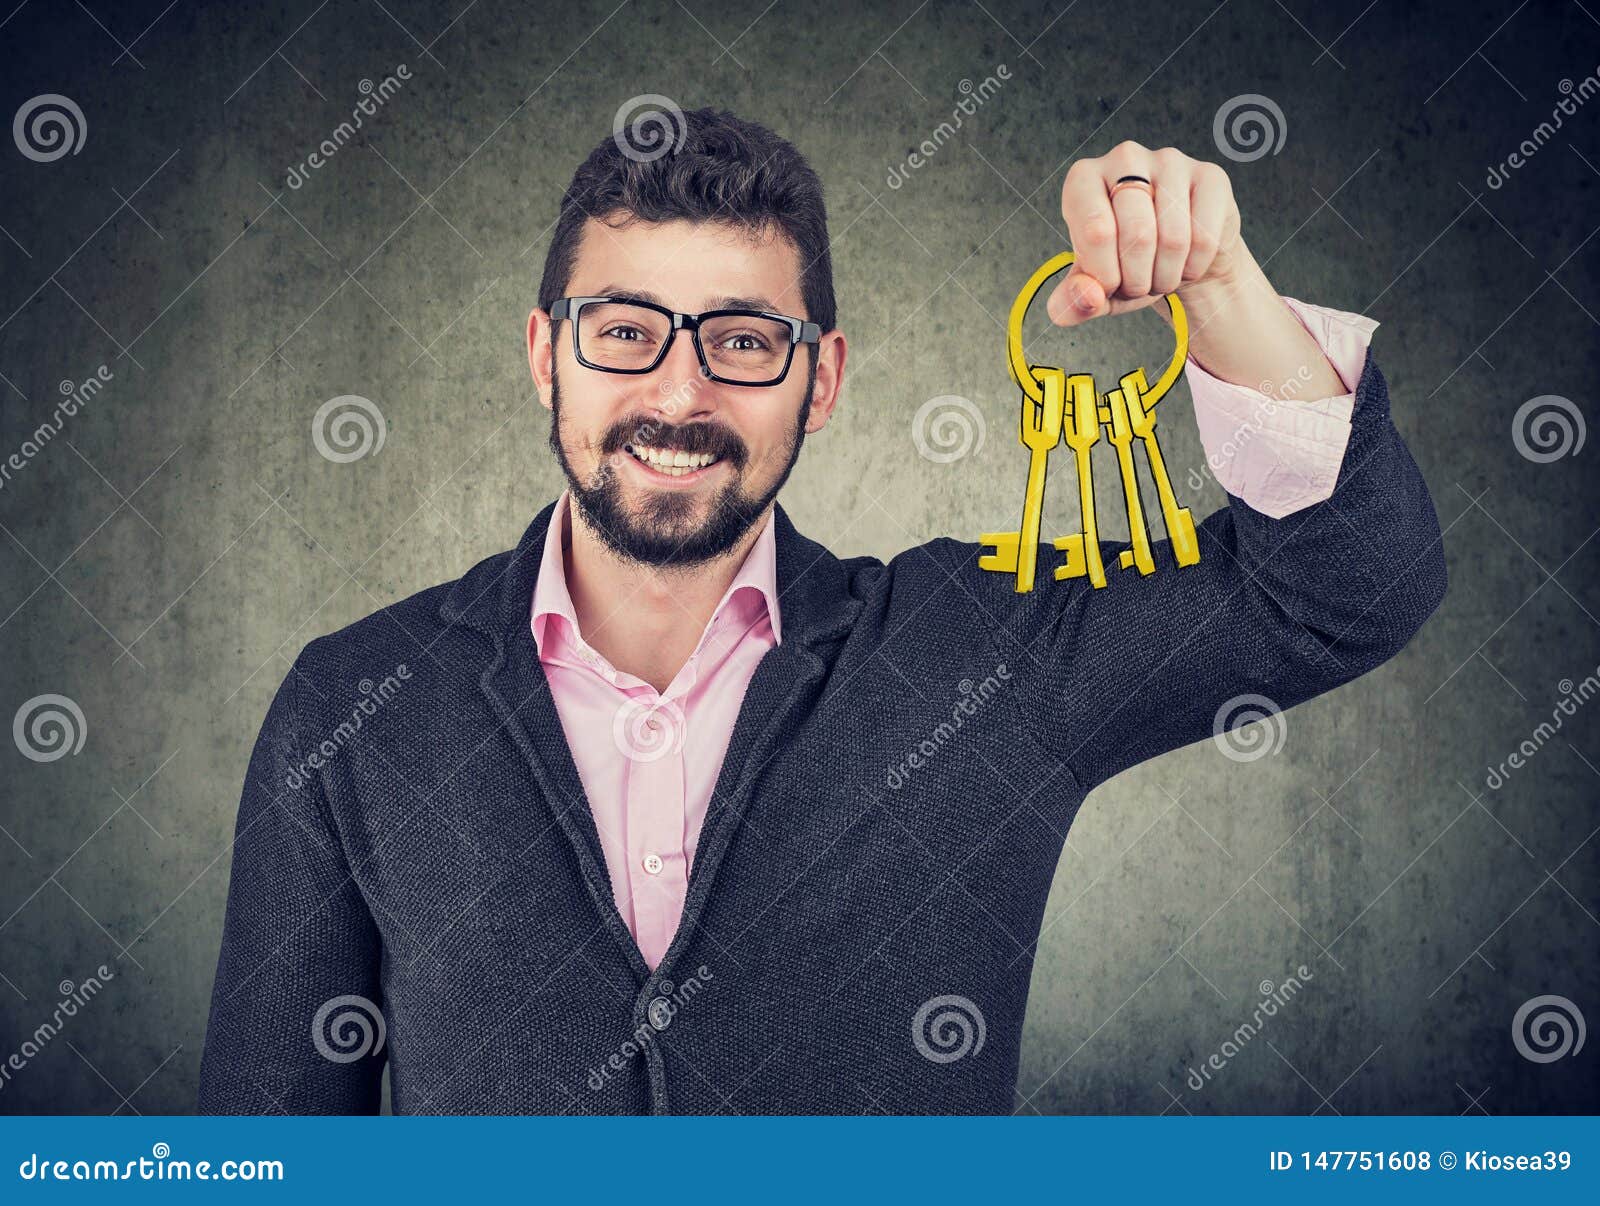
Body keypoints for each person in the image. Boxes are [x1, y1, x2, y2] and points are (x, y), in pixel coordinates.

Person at [199, 107, 1446, 1115]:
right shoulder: (354, 704)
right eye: (625, 331)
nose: (677, 393)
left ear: (821, 377)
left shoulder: (981, 654)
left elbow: (1347, 586)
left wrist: (1218, 282)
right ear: (545, 354)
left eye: (743, 341)